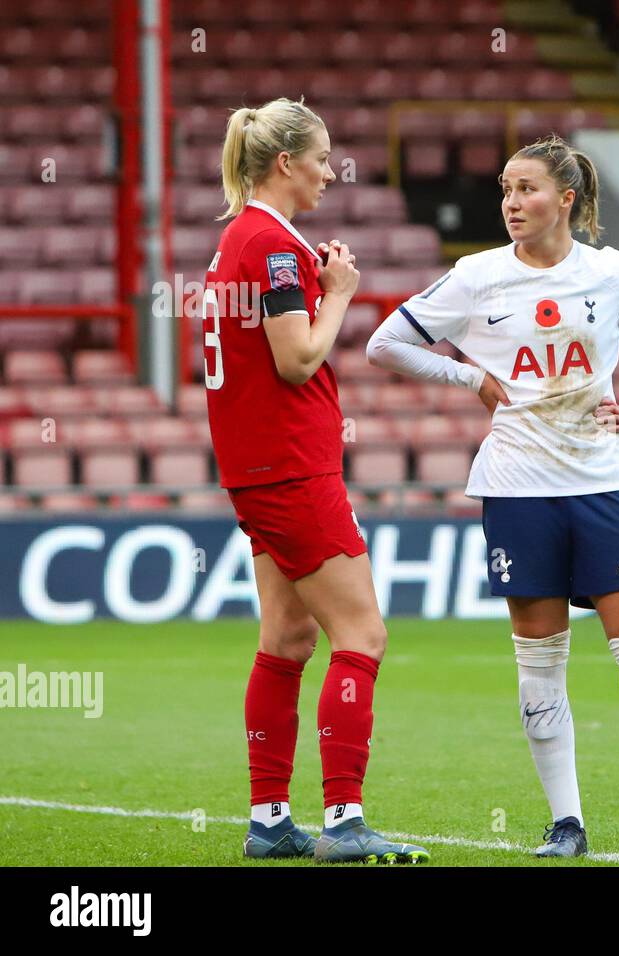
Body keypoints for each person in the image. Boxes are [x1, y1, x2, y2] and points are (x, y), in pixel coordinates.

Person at [367, 134, 619, 858]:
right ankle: (566, 825)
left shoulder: (613, 273)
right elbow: (386, 342)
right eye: (506, 189)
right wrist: (469, 379)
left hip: (604, 484)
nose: (512, 202)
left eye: (528, 189)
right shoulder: (476, 276)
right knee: (541, 664)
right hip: (517, 490)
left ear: (566, 199)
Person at [206, 97, 427, 862]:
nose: (332, 173)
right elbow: (296, 358)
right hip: (290, 467)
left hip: (258, 468)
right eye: (324, 158)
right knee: (362, 634)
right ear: (286, 163)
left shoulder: (238, 239)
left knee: (288, 638)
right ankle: (343, 819)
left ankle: (270, 821)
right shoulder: (270, 244)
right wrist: (338, 295)